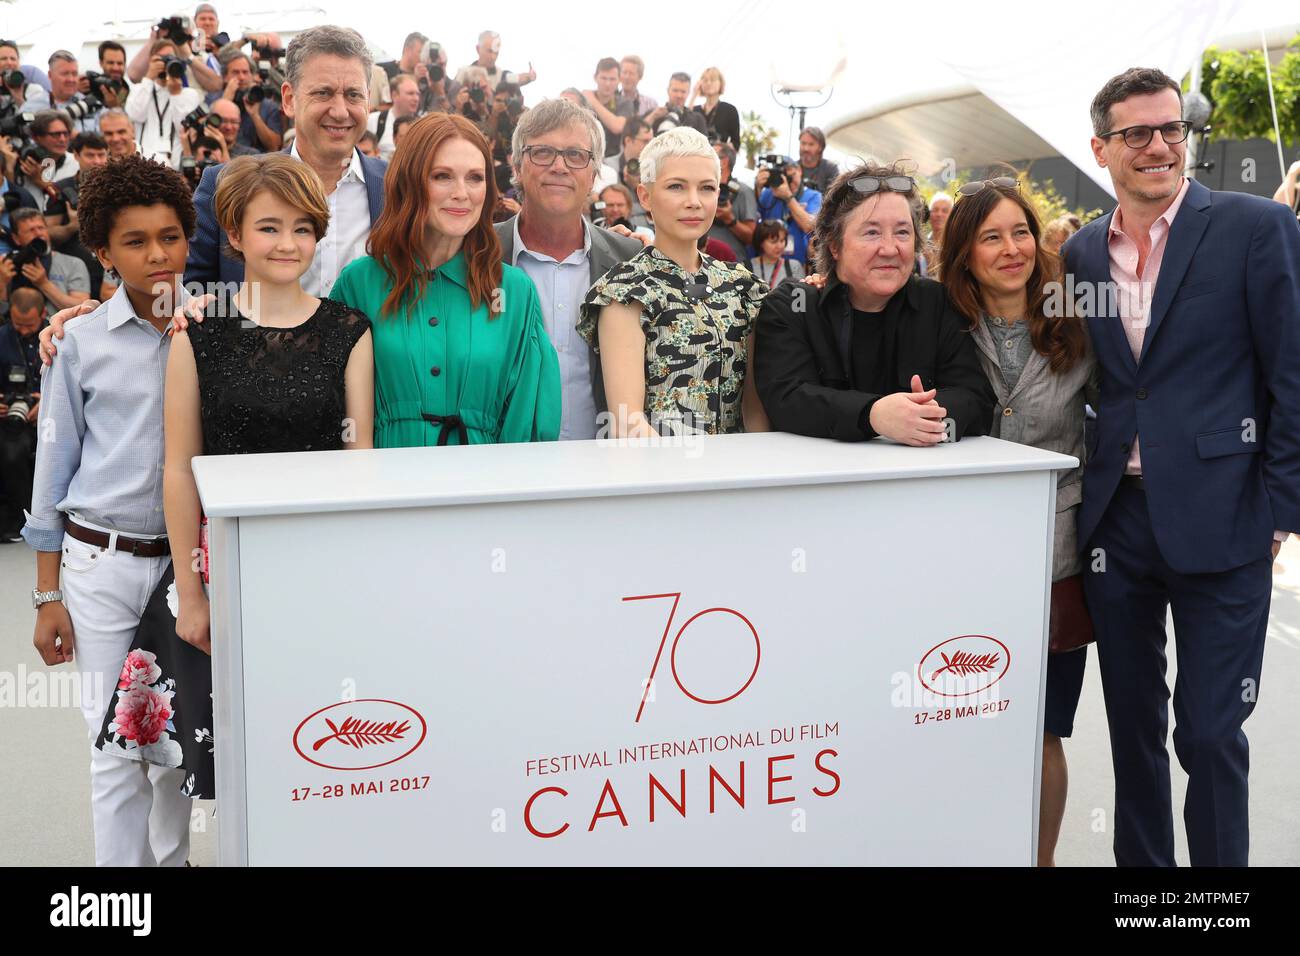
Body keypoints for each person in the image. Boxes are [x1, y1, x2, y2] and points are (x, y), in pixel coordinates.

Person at [1064, 67, 1300, 867]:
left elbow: (1291, 373)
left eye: (1172, 130)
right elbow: (1077, 371)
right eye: (1138, 133)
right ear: (1102, 149)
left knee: (1209, 730)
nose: (1160, 145)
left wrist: (1282, 507)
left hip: (1227, 514)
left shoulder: (1254, 227)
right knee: (1132, 733)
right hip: (1116, 526)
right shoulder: (1079, 254)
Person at [93, 154, 374, 800]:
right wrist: (191, 594)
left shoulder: (349, 333)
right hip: (220, 575)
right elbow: (179, 472)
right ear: (236, 235)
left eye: (303, 228)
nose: (288, 243)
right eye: (270, 227)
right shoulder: (198, 333)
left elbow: (360, 470)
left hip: (318, 575)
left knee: (317, 755)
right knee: (229, 762)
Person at [23, 155, 197, 866]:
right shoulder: (78, 342)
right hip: (101, 564)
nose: (157, 254)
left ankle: (172, 865)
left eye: (170, 236)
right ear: (100, 250)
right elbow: (53, 467)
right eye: (135, 241)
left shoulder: (211, 332)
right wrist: (46, 594)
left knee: (178, 748)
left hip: (190, 569)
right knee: (114, 747)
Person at [939, 176, 1097, 867]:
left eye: (1021, 231)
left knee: (1041, 731)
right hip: (958, 559)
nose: (1011, 249)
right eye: (991, 236)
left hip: (1056, 557)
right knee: (955, 722)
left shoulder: (1079, 321)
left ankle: (1040, 861)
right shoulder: (937, 324)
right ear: (964, 252)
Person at [330, 112, 558, 447]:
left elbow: (529, 422)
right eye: (442, 176)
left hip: (484, 487)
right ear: (410, 183)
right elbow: (332, 406)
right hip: (383, 486)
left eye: (476, 178)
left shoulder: (513, 291)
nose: (462, 193)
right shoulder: (358, 283)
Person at [754, 164, 995, 443]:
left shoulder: (938, 303)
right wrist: (874, 415)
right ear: (834, 245)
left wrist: (926, 414)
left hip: (921, 480)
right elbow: (787, 399)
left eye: (903, 233)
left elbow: (977, 400)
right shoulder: (793, 308)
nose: (890, 249)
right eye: (872, 233)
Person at [580, 127, 769, 437]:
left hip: (737, 475)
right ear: (645, 196)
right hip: (662, 475)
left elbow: (754, 411)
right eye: (677, 187)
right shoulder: (626, 290)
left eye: (707, 188)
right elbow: (628, 422)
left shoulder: (742, 286)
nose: (694, 201)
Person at [188, 25, 387, 293]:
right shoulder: (223, 184)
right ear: (289, 99)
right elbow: (193, 291)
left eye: (353, 95)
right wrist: (230, 323)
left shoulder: (398, 186)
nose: (340, 111)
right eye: (323, 93)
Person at [495, 97, 641, 440]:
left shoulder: (630, 260)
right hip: (501, 467)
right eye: (542, 152)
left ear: (593, 174)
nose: (559, 166)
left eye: (575, 155)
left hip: (605, 470)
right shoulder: (476, 255)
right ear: (517, 167)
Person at [45, 133, 115, 301]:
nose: (97, 161)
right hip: (74, 273)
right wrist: (72, 226)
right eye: (90, 155)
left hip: (110, 268)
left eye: (101, 155)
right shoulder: (61, 189)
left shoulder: (118, 186)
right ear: (76, 155)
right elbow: (48, 232)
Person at [0, 287, 45, 541]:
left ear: (42, 314)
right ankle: (16, 517)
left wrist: (48, 400)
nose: (25, 330)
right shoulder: (2, 337)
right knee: (10, 452)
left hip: (52, 416)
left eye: (30, 325)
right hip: (10, 418)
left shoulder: (61, 334)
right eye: (19, 324)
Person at [126, 39, 207, 169]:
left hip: (176, 163)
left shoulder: (189, 94)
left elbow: (184, 128)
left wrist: (176, 94)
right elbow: (136, 115)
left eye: (170, 58)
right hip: (143, 164)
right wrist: (148, 78)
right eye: (161, 59)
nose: (165, 63)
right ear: (151, 61)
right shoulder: (140, 89)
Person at [0, 209, 90, 316]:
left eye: (41, 228)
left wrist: (44, 284)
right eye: (31, 230)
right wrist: (2, 283)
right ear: (16, 239)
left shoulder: (73, 263)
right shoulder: (6, 264)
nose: (38, 234)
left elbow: (83, 309)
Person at [755, 158, 821, 267]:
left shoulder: (814, 196)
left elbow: (809, 226)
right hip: (767, 262)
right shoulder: (769, 193)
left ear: (799, 170)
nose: (789, 182)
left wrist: (788, 197)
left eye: (791, 177)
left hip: (797, 264)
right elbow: (755, 223)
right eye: (785, 178)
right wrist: (758, 188)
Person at [217, 44, 283, 153]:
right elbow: (206, 135)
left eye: (245, 72)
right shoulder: (215, 100)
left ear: (252, 75)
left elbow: (274, 146)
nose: (241, 77)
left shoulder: (267, 106)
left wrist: (255, 115)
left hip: (258, 163)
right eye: (235, 72)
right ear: (225, 77)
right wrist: (225, 102)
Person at [18, 110, 79, 209]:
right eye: (55, 134)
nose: (62, 139)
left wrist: (41, 182)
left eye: (66, 134)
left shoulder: (76, 163)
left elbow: (73, 200)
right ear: (36, 137)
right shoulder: (25, 163)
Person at [708, 142, 756, 260]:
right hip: (702, 262)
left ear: (724, 162)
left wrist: (729, 219)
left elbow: (751, 237)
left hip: (731, 265)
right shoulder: (701, 189)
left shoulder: (743, 192)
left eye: (710, 156)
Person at [584, 58, 636, 160]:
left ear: (619, 80)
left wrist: (592, 100)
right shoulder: (583, 100)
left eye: (612, 79)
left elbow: (618, 127)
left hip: (612, 160)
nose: (607, 83)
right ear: (595, 78)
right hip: (586, 156)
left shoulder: (625, 103)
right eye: (603, 78)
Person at [453, 30, 536, 94]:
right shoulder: (464, 73)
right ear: (478, 49)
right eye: (489, 51)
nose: (493, 57)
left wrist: (529, 76)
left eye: (496, 53)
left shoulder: (501, 76)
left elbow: (517, 78)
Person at [367, 73, 422, 160]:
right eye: (410, 93)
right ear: (394, 95)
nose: (416, 98)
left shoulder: (424, 124)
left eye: (417, 94)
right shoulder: (373, 120)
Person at [47, 52, 100, 134]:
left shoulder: (92, 103)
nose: (71, 79)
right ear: (50, 75)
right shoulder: (34, 106)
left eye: (74, 74)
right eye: (65, 74)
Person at [689, 67, 740, 150]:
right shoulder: (695, 110)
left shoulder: (730, 110)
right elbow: (684, 127)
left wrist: (721, 147)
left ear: (721, 83)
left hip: (718, 159)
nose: (709, 83)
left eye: (712, 80)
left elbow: (736, 144)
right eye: (705, 80)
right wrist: (693, 95)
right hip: (695, 156)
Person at [748, 219, 804, 287]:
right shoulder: (747, 267)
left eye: (782, 240)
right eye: (773, 242)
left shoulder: (794, 266)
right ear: (761, 243)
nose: (779, 246)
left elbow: (801, 295)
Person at [0, 40, 50, 112]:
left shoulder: (33, 91)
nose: (9, 62)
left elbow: (39, 120)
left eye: (13, 59)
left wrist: (19, 99)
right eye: (3, 59)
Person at [797, 127, 839, 195]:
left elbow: (833, 198)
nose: (806, 148)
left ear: (820, 147)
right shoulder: (791, 168)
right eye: (803, 143)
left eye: (811, 144)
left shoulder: (830, 169)